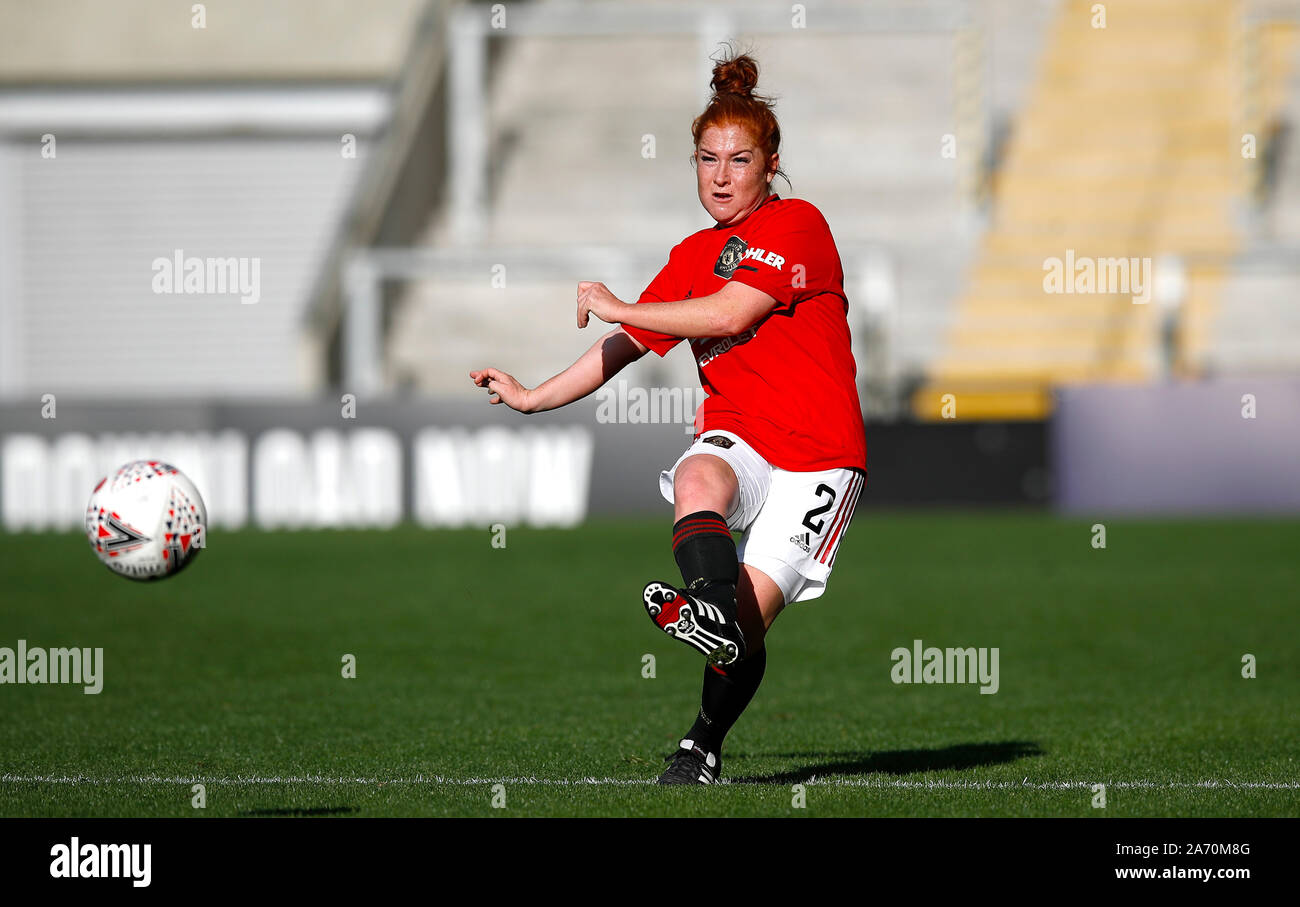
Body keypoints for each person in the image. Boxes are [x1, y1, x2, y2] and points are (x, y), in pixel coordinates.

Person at [470, 49, 866, 785]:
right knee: (699, 475)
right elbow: (619, 349)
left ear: (770, 164)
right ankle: (710, 609)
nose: (720, 175)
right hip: (742, 433)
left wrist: (620, 301)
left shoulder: (799, 224)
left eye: (739, 159)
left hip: (820, 453)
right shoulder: (692, 253)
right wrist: (531, 395)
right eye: (706, 158)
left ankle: (702, 743)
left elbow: (730, 309)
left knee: (750, 629)